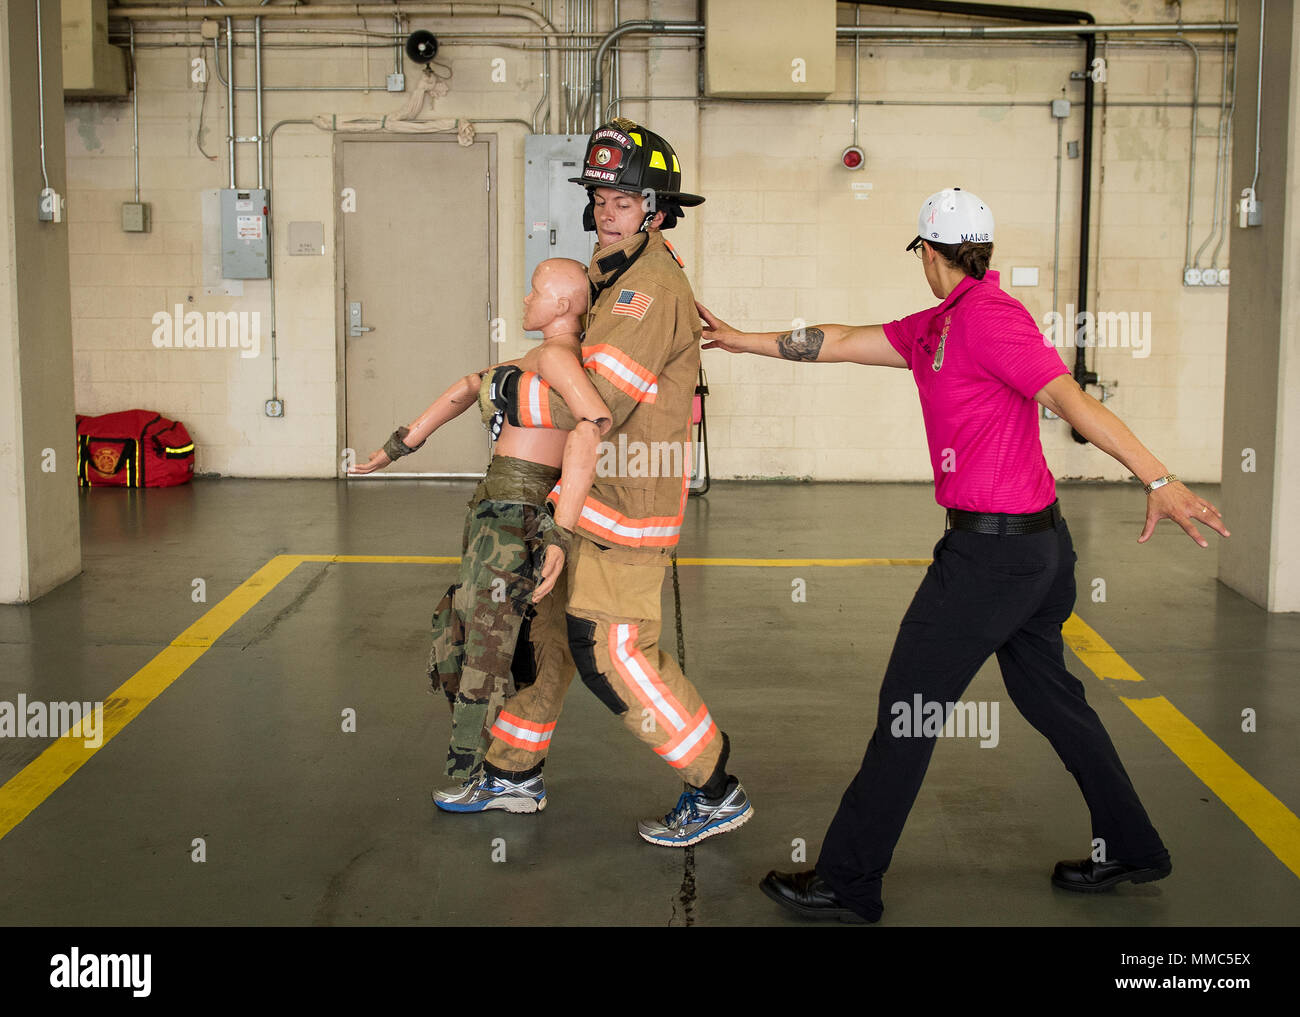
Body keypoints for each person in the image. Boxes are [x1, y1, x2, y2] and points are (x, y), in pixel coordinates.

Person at [698, 187, 1229, 922]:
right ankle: (1133, 846)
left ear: (926, 252)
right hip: (1032, 551)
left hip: (991, 557)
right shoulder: (936, 325)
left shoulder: (991, 318)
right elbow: (842, 340)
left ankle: (849, 881)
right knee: (1053, 698)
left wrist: (1159, 477)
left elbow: (1072, 401)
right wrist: (740, 338)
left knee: (907, 711)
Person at [434, 118, 753, 849]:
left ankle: (715, 787)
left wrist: (499, 391)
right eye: (601, 194)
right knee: (539, 634)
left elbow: (598, 400)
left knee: (612, 653)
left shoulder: (649, 291)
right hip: (575, 501)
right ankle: (513, 771)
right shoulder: (609, 275)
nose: (608, 207)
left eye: (625, 196)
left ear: (657, 207)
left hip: (625, 513)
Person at [350, 258, 611, 786]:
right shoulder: (539, 355)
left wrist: (561, 527)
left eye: (534, 292)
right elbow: (471, 384)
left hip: (518, 513)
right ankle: (491, 761)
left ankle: (483, 768)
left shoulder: (559, 357)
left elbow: (594, 419)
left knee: (490, 638)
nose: (524, 300)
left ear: (562, 305)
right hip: (494, 508)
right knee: (475, 626)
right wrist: (397, 447)